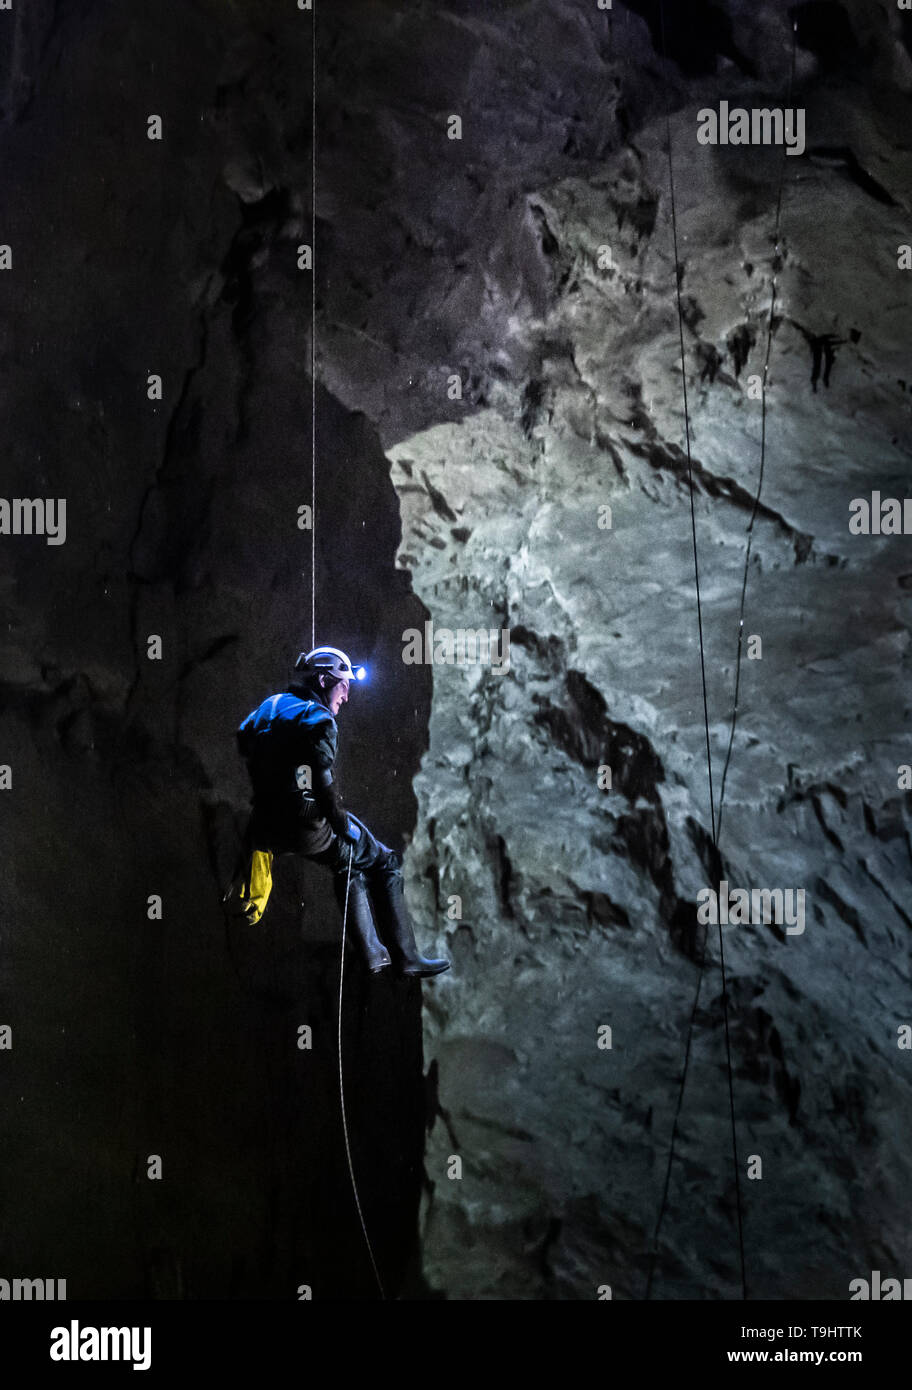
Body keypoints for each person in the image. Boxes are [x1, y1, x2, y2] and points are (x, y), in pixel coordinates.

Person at [235, 645, 450, 978]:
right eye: (343, 685)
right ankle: (407, 958)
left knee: (347, 864)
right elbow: (322, 787)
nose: (346, 696)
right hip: (305, 824)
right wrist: (338, 823)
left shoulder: (270, 706)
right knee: (385, 861)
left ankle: (375, 956)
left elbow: (244, 738)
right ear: (323, 679)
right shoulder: (320, 720)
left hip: (265, 826)